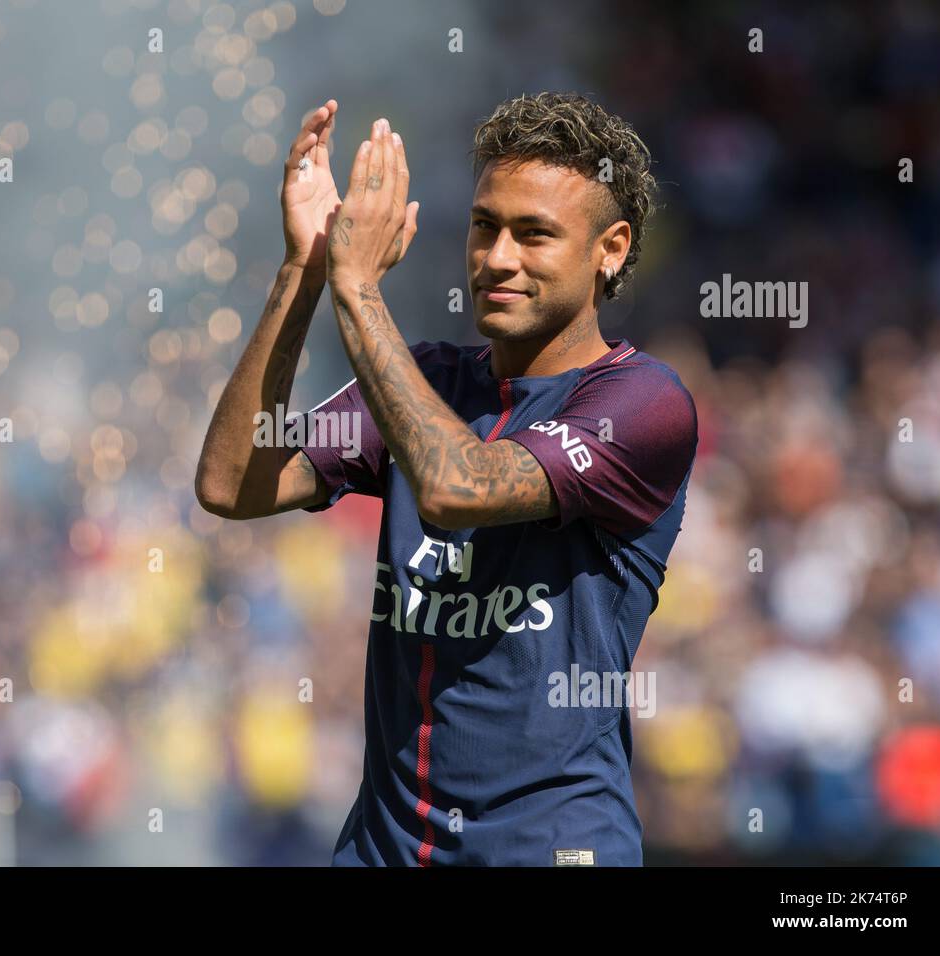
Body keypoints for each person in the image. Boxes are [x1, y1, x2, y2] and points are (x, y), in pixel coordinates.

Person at [196, 92, 698, 866]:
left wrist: (359, 291)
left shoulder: (645, 403)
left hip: (551, 848)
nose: (498, 258)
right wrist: (307, 271)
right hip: (383, 850)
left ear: (610, 248)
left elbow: (456, 486)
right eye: (485, 225)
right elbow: (233, 483)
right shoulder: (424, 379)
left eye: (535, 234)